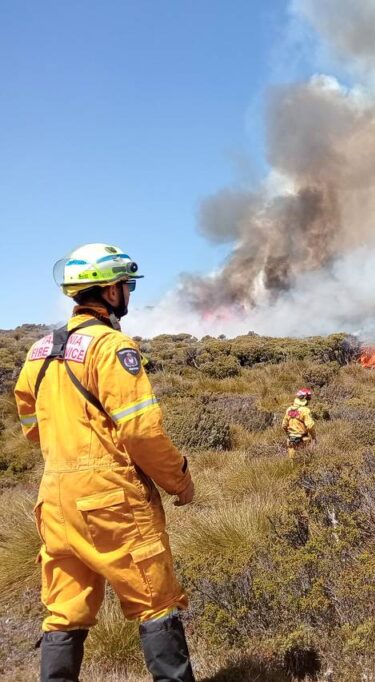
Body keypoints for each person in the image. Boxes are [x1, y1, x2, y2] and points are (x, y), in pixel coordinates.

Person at [14, 243, 196, 682]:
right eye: (126, 285)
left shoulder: (38, 351)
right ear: (111, 292)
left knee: (64, 610)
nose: (129, 293)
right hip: (111, 498)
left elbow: (30, 423)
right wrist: (180, 481)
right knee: (154, 600)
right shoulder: (112, 346)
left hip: (55, 500)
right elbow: (141, 432)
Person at [282, 388, 316, 458]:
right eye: (309, 398)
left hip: (291, 440)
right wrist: (313, 438)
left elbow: (284, 426)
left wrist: (289, 435)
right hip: (303, 439)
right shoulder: (305, 410)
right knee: (305, 460)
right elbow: (310, 426)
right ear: (305, 399)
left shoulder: (289, 409)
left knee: (292, 461)